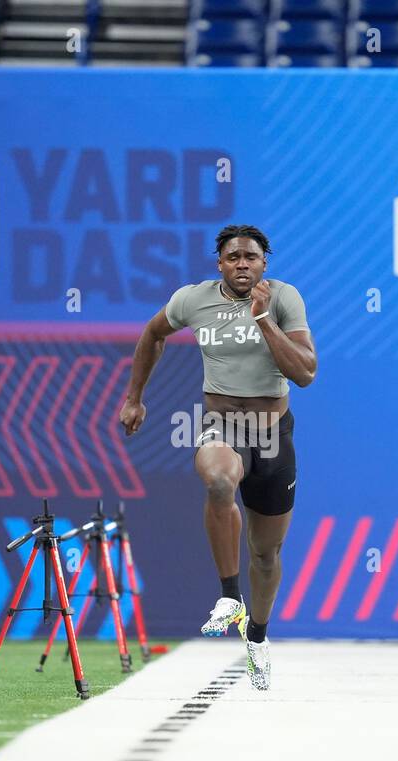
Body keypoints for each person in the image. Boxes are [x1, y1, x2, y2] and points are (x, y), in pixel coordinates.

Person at [119, 225, 317, 690]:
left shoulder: (284, 298)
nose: (242, 264)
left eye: (251, 257)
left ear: (265, 262)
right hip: (221, 423)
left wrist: (264, 319)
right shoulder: (193, 299)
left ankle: (258, 635)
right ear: (220, 264)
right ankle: (230, 596)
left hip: (273, 434)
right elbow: (152, 334)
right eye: (233, 258)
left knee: (266, 555)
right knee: (219, 481)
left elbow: (305, 373)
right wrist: (135, 397)